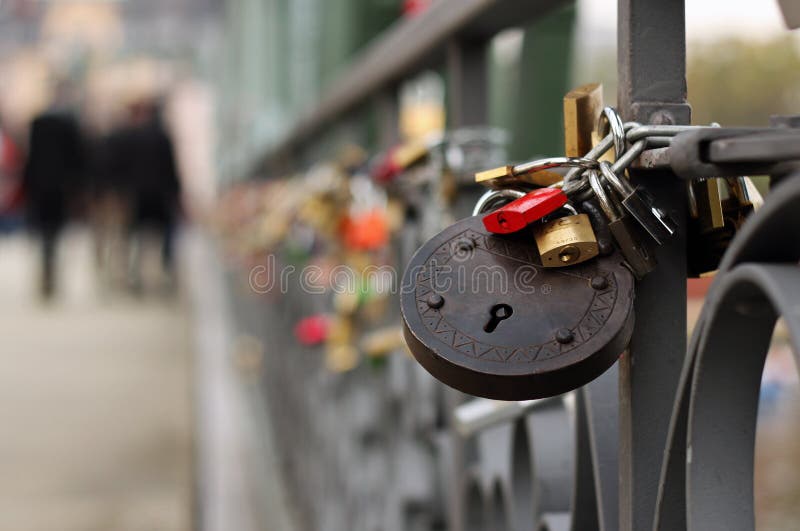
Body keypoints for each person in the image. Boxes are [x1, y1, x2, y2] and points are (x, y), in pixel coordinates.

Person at [110, 98, 181, 293]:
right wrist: (176, 192)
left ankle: (136, 275)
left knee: (135, 237)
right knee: (161, 235)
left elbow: (118, 168)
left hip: (135, 194)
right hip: (158, 193)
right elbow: (171, 168)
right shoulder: (161, 136)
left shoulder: (127, 137)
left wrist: (119, 192)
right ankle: (163, 274)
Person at [22, 98, 85, 299]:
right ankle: (51, 271)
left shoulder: (37, 124)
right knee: (55, 231)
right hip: (60, 187)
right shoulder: (69, 125)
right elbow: (76, 158)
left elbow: (30, 157)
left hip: (41, 186)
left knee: (44, 232)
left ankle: (47, 270)